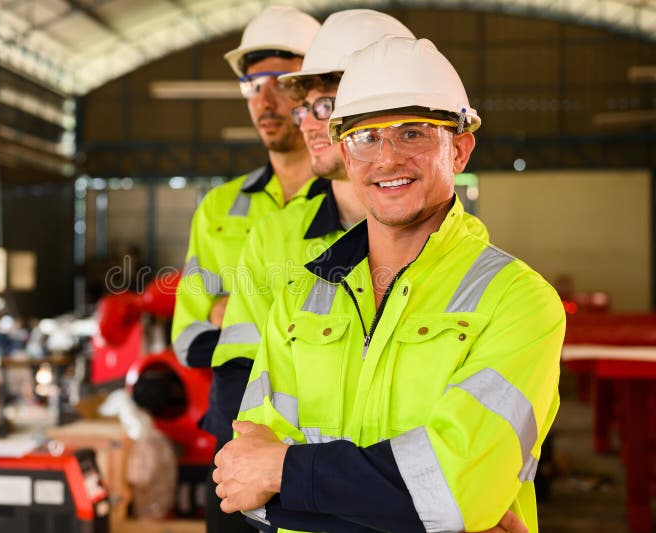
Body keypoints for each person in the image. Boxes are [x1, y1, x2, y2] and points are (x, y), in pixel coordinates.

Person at [213, 36, 564, 533]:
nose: (388, 159)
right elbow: (244, 483)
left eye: (413, 134)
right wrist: (421, 512)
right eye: (366, 138)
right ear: (344, 154)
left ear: (460, 150)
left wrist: (284, 472)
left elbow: (453, 490)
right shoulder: (299, 297)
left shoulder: (519, 301)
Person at [170, 6, 321, 532]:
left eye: (283, 81)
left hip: (327, 438)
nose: (265, 98)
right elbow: (190, 337)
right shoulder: (219, 208)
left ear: (319, 89)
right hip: (234, 435)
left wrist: (239, 311)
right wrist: (298, 319)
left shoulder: (359, 204)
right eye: (253, 84)